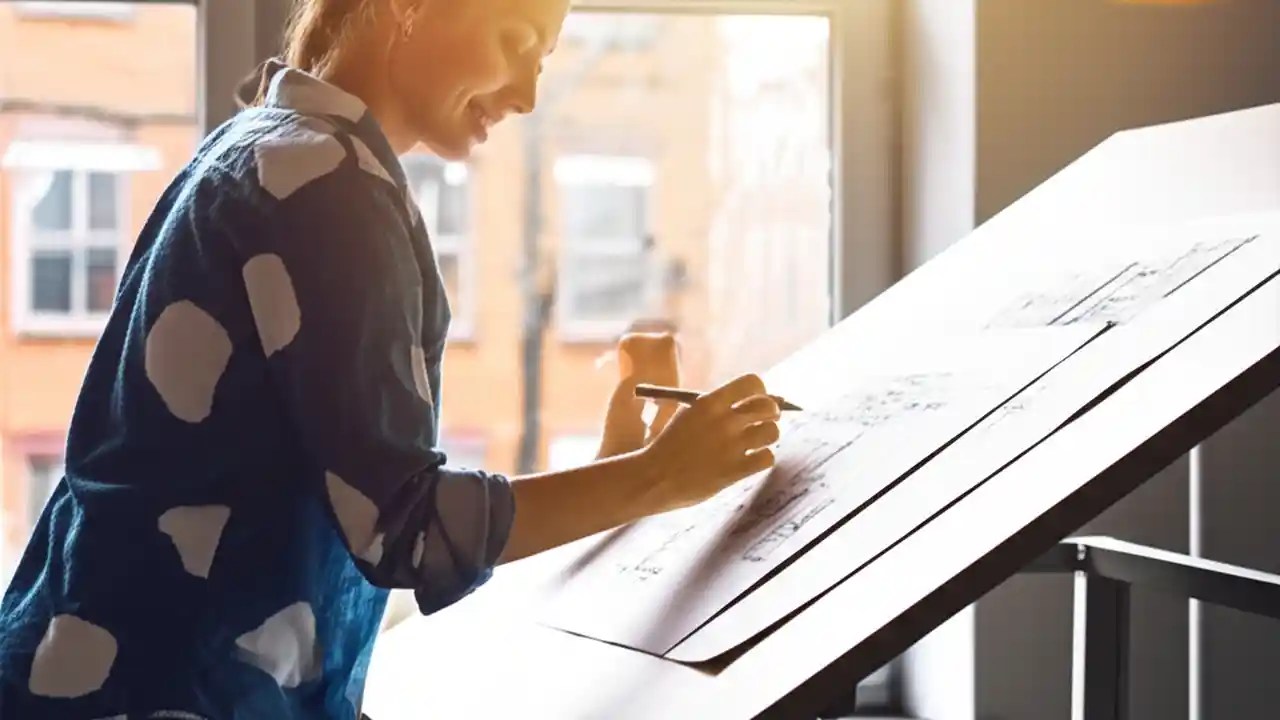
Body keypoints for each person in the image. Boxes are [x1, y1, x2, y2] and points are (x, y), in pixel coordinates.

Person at [0, 0, 782, 717]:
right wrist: (654, 479)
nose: (527, 96)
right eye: (516, 43)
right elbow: (401, 527)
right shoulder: (330, 189)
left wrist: (619, 475)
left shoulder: (267, 145)